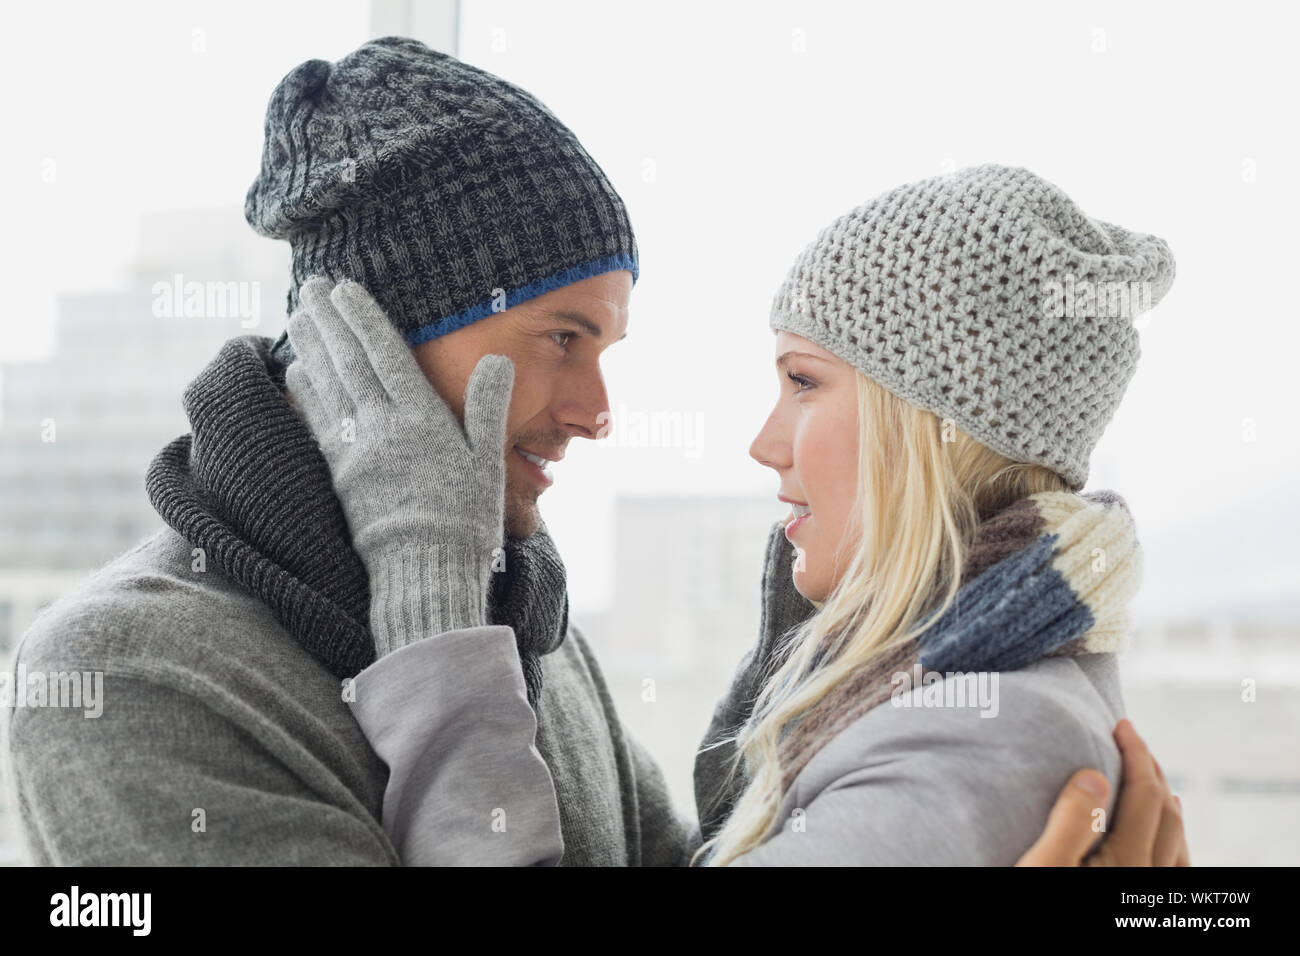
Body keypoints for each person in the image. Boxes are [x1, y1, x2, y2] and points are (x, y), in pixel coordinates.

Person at [3, 38, 1183, 867]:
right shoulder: (132, 674)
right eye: (561, 339)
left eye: (607, 346)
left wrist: (804, 674)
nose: (596, 407)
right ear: (357, 339)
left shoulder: (509, 605)